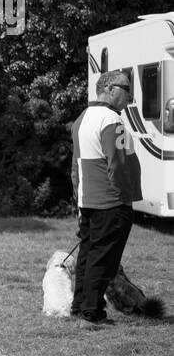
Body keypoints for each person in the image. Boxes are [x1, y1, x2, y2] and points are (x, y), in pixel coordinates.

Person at [70, 70, 143, 326]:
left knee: (88, 256)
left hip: (88, 201)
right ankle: (92, 314)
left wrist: (79, 200)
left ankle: (79, 307)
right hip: (111, 202)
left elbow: (75, 168)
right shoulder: (112, 120)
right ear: (110, 89)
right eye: (126, 89)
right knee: (104, 260)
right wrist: (125, 199)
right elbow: (119, 165)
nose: (130, 97)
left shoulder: (82, 119)